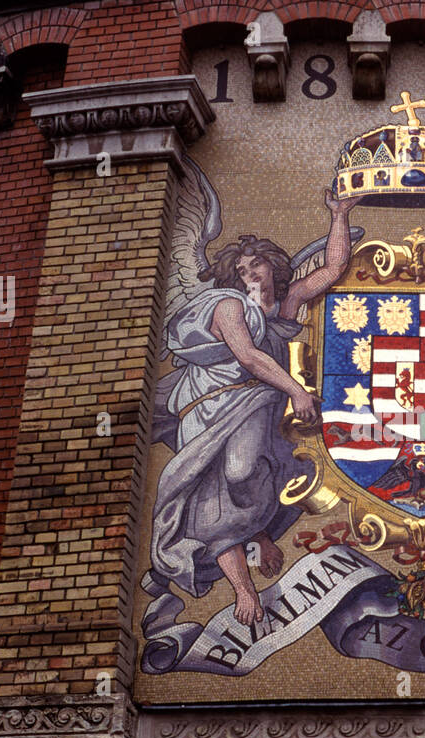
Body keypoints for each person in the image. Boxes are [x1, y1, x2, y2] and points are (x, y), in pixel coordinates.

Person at [143, 189, 361, 628]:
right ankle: (245, 587)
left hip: (258, 404)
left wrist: (339, 214)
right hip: (210, 408)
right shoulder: (227, 306)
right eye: (239, 269)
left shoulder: (286, 304)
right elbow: (249, 357)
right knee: (218, 490)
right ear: (230, 278)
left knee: (246, 474)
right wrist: (298, 392)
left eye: (256, 264)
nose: (249, 273)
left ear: (272, 266)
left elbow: (334, 269)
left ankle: (256, 530)